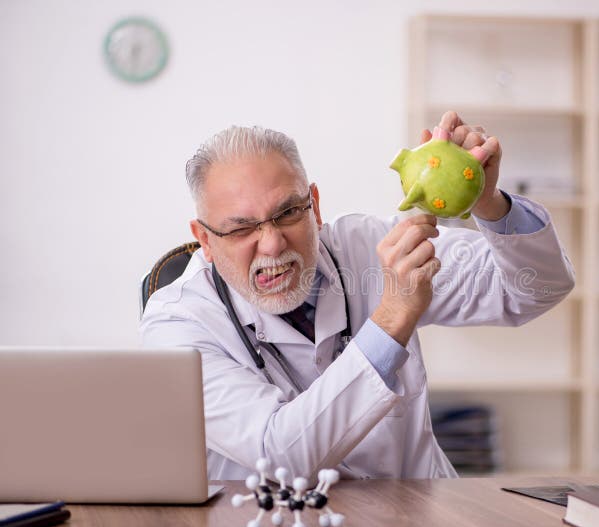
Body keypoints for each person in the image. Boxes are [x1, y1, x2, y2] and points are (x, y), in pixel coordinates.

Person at [140, 111, 575, 480]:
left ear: (314, 205)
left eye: (288, 212)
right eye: (240, 229)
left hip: (421, 515)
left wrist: (488, 203)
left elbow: (539, 288)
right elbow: (279, 455)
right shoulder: (178, 324)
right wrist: (391, 320)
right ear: (205, 240)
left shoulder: (369, 247)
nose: (272, 245)